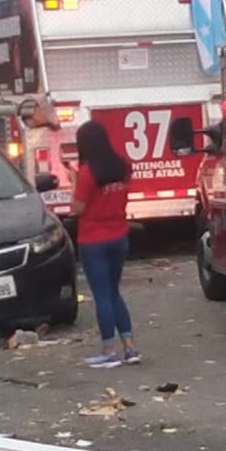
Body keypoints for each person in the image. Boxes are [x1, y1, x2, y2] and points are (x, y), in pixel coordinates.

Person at [71, 119, 139, 368]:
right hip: (119, 236)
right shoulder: (123, 166)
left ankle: (109, 350)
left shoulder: (87, 173)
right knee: (113, 291)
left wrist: (73, 184)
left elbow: (78, 208)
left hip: (93, 240)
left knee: (101, 295)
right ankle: (130, 347)